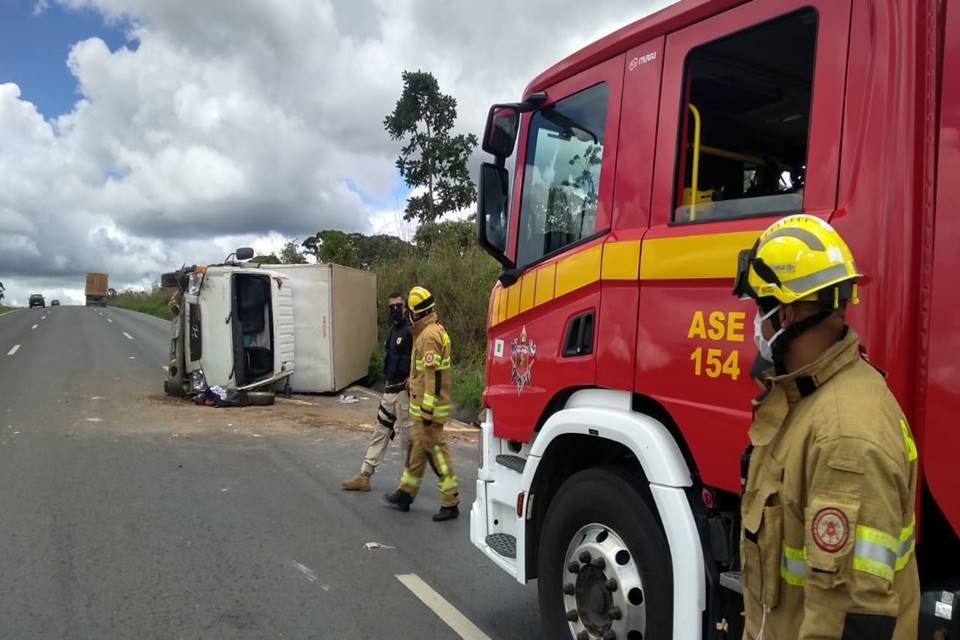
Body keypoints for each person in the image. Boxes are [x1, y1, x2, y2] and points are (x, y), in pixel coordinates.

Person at [732, 214, 919, 639]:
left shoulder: (844, 440)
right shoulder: (807, 399)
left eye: (760, 308)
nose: (755, 326)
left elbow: (847, 619)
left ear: (788, 314)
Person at [383, 286, 459, 522]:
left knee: (437, 454)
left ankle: (450, 501)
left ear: (416, 313)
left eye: (408, 311)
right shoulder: (429, 331)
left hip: (429, 410)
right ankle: (405, 493)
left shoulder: (427, 337)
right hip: (423, 407)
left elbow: (433, 377)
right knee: (417, 450)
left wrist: (427, 409)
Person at [341, 293, 413, 491]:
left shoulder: (412, 331)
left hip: (405, 394)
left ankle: (409, 485)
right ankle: (364, 475)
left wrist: (415, 378)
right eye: (391, 307)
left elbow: (420, 358)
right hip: (390, 391)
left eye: (398, 306)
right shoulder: (392, 331)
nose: (395, 310)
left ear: (405, 307)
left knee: (407, 439)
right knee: (380, 432)